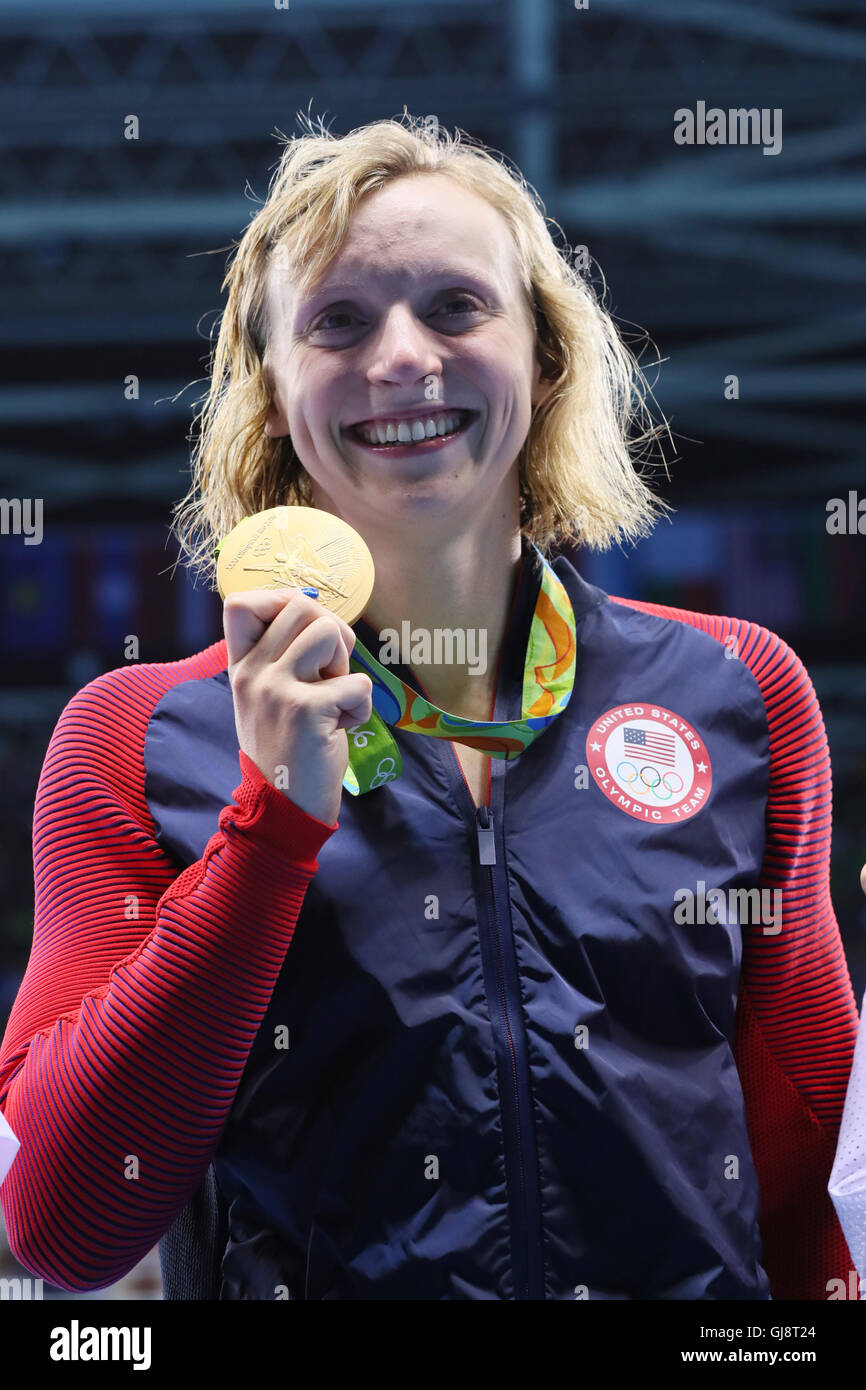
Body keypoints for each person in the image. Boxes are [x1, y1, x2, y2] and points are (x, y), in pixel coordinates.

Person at [0, 113, 858, 1301]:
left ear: (546, 356)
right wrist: (270, 830)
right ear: (274, 393)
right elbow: (69, 1224)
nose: (401, 356)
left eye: (455, 307)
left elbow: (802, 1183)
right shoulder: (139, 737)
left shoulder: (736, 692)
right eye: (338, 322)